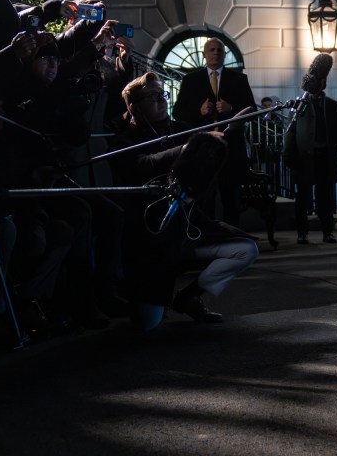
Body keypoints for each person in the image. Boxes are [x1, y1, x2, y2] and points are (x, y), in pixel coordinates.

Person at [109, 72, 259, 329]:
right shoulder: (120, 135)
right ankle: (146, 296)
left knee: (245, 249)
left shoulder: (180, 128)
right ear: (133, 106)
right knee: (148, 323)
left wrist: (209, 150)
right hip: (152, 240)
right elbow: (140, 165)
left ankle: (189, 298)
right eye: (152, 96)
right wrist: (185, 149)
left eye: (162, 94)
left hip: (189, 229)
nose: (161, 100)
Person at [172, 39, 256, 225]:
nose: (215, 53)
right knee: (203, 199)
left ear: (224, 55)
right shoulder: (190, 80)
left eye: (219, 50)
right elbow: (177, 113)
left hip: (231, 149)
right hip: (202, 150)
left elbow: (252, 111)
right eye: (211, 50)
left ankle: (232, 240)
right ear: (204, 54)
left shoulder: (239, 79)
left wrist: (231, 108)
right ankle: (206, 239)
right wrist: (198, 112)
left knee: (231, 200)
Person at [283, 74, 337, 244]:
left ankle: (327, 232)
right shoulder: (299, 104)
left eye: (323, 80)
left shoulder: (333, 105)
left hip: (325, 157)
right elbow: (290, 131)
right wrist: (288, 155)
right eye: (319, 81)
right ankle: (302, 233)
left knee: (325, 198)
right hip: (304, 158)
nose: (322, 83)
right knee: (302, 197)